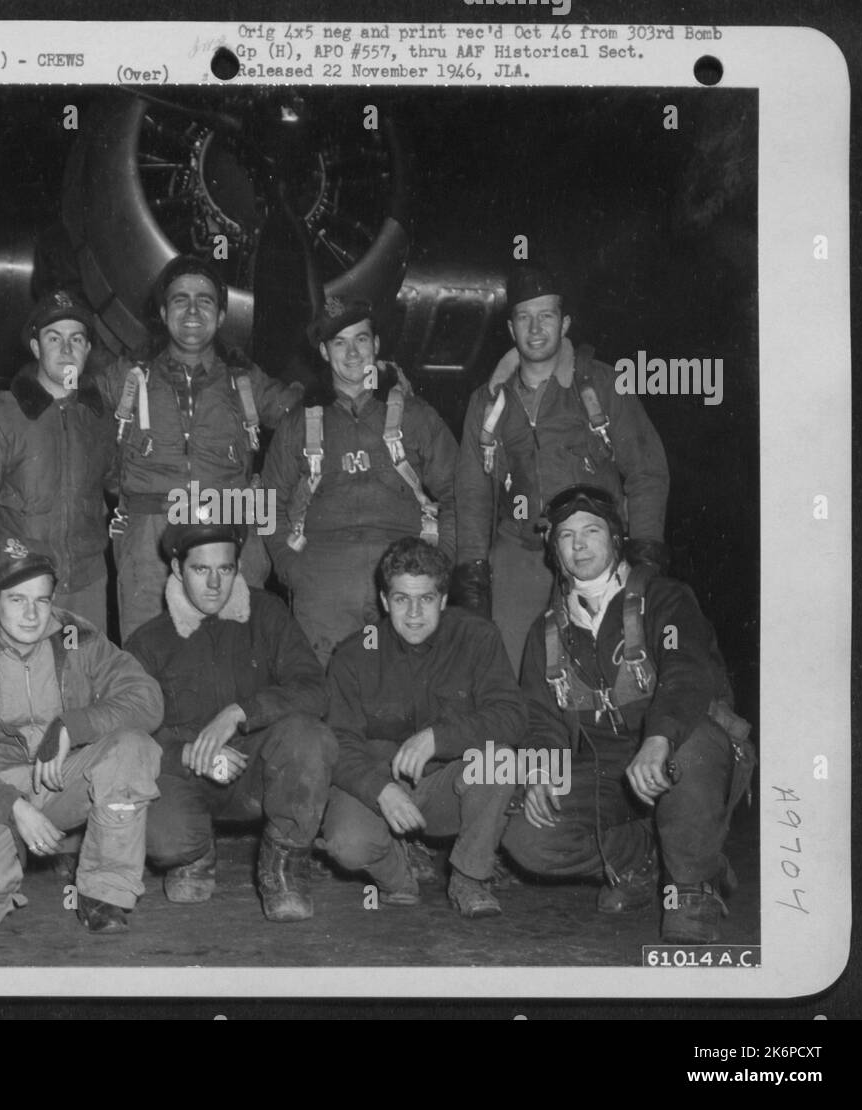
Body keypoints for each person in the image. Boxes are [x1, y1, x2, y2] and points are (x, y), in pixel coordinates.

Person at [501, 485, 752, 943]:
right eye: (565, 535)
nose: (578, 544)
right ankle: (644, 859)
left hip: (686, 751)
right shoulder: (547, 630)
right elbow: (541, 719)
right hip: (610, 771)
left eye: (591, 530)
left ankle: (693, 887)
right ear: (553, 550)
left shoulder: (665, 598)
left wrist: (659, 739)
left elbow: (687, 673)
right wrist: (540, 770)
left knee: (692, 744)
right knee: (527, 837)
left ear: (616, 539)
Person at [0, 543, 164, 934]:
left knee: (133, 749)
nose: (32, 615)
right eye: (17, 600)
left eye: (42, 600)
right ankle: (7, 856)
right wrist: (13, 808)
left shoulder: (75, 638)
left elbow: (147, 699)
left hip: (61, 779)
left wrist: (73, 726)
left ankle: (103, 892)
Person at [451, 265, 669, 673]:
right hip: (522, 550)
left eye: (546, 315)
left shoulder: (602, 386)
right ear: (510, 328)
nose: (535, 328)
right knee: (510, 669)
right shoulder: (487, 403)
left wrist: (644, 555)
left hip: (596, 551)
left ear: (565, 322)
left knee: (615, 667)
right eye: (524, 317)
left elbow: (647, 471)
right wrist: (473, 573)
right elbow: (473, 491)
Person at [124, 520, 336, 922]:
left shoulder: (268, 614)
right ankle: (194, 855)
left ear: (238, 568)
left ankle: (283, 863)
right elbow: (130, 733)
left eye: (225, 569)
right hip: (188, 777)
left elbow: (315, 690)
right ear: (176, 569)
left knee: (311, 736)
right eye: (200, 570)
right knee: (163, 837)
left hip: (258, 770)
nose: (214, 583)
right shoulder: (148, 642)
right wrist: (187, 753)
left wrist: (241, 713)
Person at [98, 256, 304, 639]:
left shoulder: (245, 381)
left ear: (221, 315)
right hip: (148, 541)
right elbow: (63, 393)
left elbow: (305, 417)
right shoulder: (128, 377)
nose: (192, 309)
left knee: (235, 661)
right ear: (163, 312)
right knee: (147, 662)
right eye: (180, 299)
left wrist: (375, 382)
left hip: (228, 531)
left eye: (205, 300)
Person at [321, 537, 526, 917]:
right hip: (381, 787)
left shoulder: (477, 637)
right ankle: (397, 876)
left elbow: (512, 716)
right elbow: (336, 741)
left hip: (448, 789)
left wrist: (439, 738)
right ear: (384, 601)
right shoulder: (353, 654)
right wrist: (378, 789)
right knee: (347, 844)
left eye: (426, 599)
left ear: (444, 599)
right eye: (401, 599)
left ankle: (470, 875)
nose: (414, 613)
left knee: (500, 761)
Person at [263, 297, 458, 665]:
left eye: (362, 339)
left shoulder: (416, 416)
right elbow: (268, 502)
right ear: (323, 351)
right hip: (323, 583)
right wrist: (288, 564)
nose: (353, 353)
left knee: (408, 693)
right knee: (329, 697)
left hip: (406, 578)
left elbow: (459, 490)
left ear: (377, 345)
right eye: (340, 342)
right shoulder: (298, 425)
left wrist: (442, 560)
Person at [0, 291, 117, 632]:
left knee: (81, 681)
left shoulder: (101, 419)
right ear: (36, 347)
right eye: (54, 338)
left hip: (86, 587)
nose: (66, 349)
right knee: (17, 683)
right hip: (19, 582)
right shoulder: (1, 416)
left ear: (87, 349)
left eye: (77, 339)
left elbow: (119, 482)